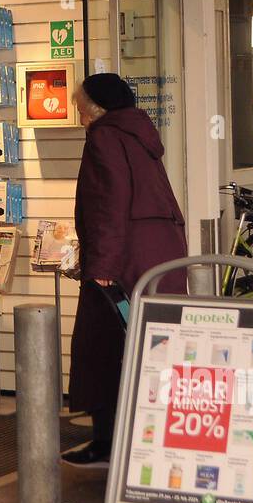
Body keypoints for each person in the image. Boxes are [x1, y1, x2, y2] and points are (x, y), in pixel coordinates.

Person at [63, 74, 187, 468]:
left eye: (80, 107)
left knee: (102, 349)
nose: (78, 114)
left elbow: (109, 204)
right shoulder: (138, 134)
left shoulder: (104, 137)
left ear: (96, 108)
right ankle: (145, 440)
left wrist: (101, 265)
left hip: (124, 263)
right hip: (158, 258)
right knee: (152, 349)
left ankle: (107, 444)